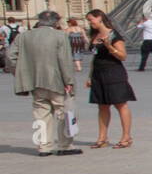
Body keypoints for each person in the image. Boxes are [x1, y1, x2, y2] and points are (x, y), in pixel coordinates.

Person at [13, 9, 80, 156]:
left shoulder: (23, 36)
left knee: (41, 115)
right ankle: (65, 145)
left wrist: (21, 72)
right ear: (55, 22)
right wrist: (68, 80)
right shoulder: (60, 36)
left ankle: (44, 147)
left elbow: (11, 56)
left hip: (35, 83)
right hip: (57, 82)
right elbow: (64, 60)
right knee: (63, 113)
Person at [85, 8, 136, 148]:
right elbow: (94, 57)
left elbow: (123, 56)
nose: (90, 23)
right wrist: (90, 76)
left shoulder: (114, 35)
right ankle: (102, 138)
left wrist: (109, 46)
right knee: (102, 106)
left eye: (91, 20)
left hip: (113, 72)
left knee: (120, 104)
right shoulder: (94, 35)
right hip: (98, 73)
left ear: (100, 17)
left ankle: (126, 137)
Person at [65, 17, 89, 82]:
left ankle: (79, 67)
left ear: (70, 23)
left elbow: (65, 37)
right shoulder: (80, 28)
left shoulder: (69, 29)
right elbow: (85, 36)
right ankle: (79, 65)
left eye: (68, 23)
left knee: (75, 53)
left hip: (73, 42)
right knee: (79, 53)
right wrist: (88, 43)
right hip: (80, 42)